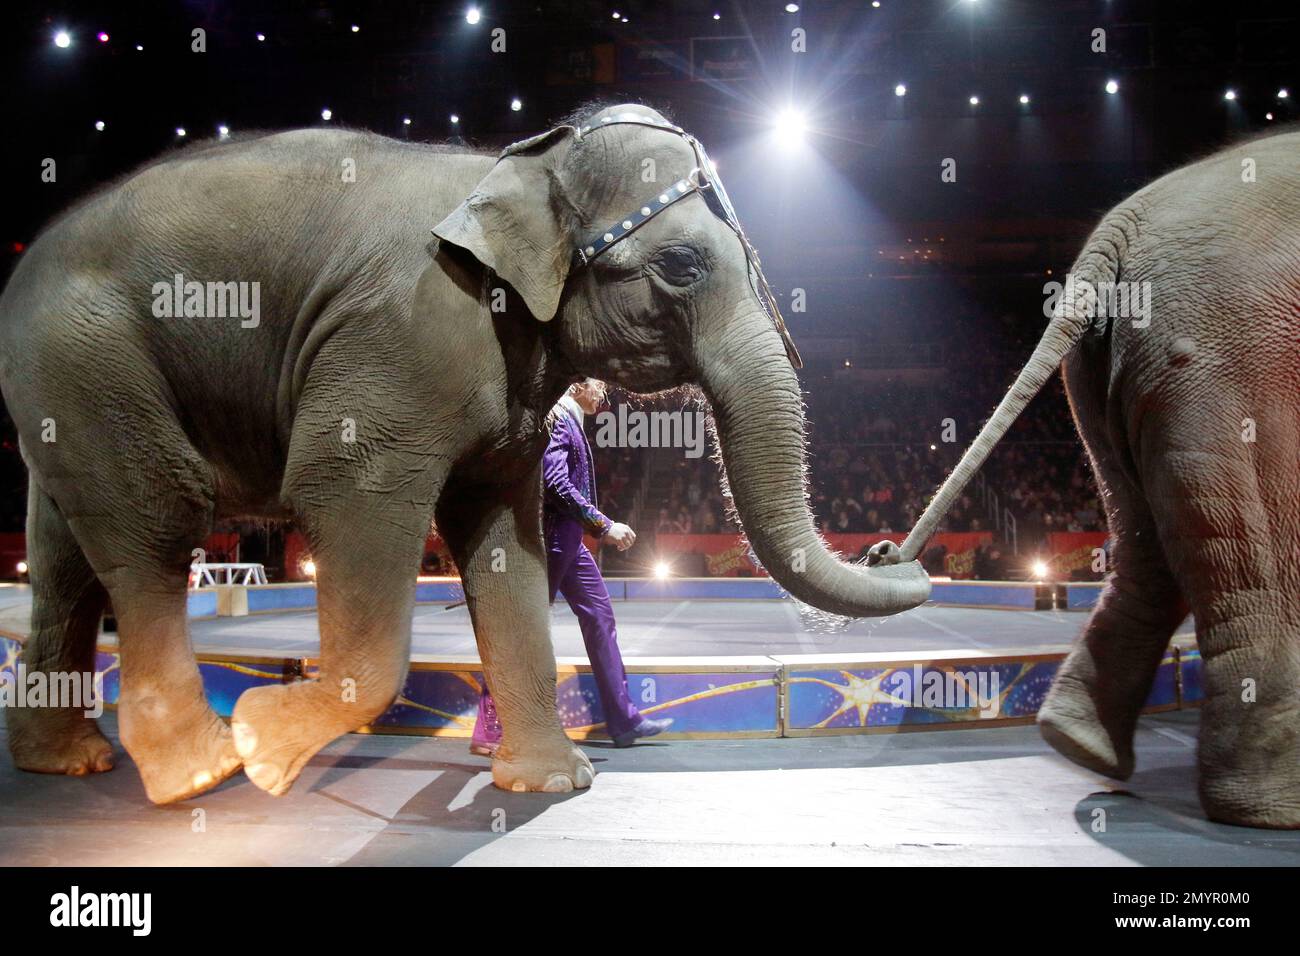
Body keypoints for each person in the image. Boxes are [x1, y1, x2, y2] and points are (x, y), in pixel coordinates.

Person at [471, 380, 673, 755]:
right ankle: (490, 726)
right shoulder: (559, 418)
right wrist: (603, 524)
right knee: (521, 632)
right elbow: (555, 483)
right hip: (548, 542)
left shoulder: (571, 419)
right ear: (577, 385)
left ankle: (624, 719)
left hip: (568, 542)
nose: (605, 394)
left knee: (600, 616)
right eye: (599, 385)